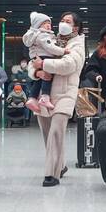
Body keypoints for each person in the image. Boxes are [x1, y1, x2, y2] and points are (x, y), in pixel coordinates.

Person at [32, 11, 85, 186]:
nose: (63, 23)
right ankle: (60, 165)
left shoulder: (77, 44)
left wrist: (44, 64)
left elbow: (68, 65)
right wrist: (37, 71)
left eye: (68, 21)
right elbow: (33, 63)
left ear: (75, 27)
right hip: (45, 95)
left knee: (56, 132)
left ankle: (51, 174)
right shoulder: (50, 40)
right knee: (47, 134)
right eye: (61, 20)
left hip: (65, 94)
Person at [22, 12, 64, 113]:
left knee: (39, 80)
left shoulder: (36, 35)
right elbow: (51, 47)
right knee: (47, 77)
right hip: (45, 57)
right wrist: (63, 50)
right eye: (45, 23)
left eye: (49, 23)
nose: (48, 25)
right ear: (38, 25)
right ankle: (45, 97)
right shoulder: (43, 35)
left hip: (38, 57)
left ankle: (32, 98)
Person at [80, 24, 106, 99]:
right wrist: (96, 76)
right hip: (105, 92)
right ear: (105, 37)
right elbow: (90, 69)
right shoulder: (99, 53)